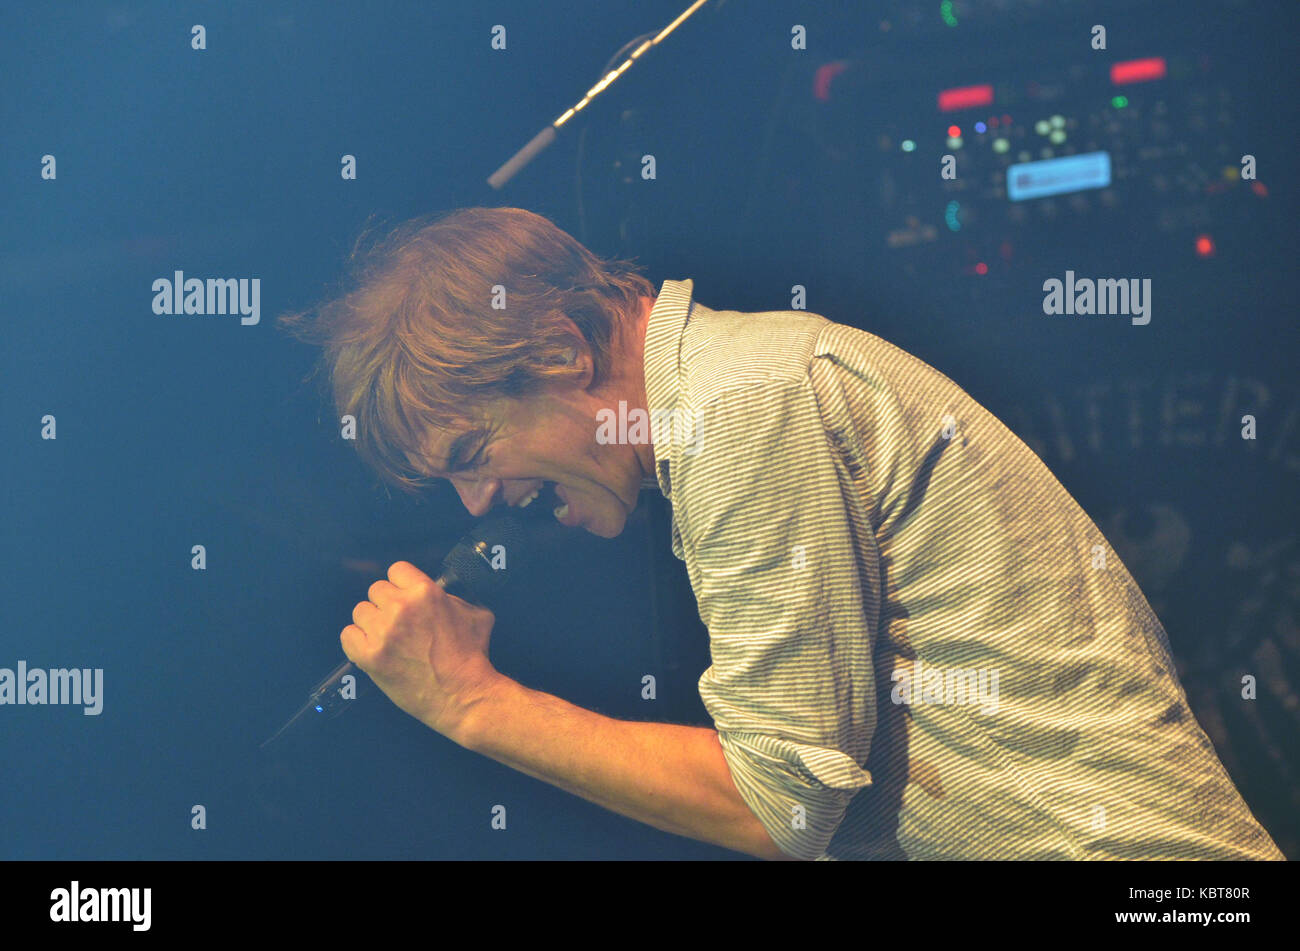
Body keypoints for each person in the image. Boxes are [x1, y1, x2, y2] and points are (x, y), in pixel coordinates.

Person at [278, 206, 1284, 860]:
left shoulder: (742, 405)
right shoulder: (735, 395)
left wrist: (471, 704)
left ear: (557, 349)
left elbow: (783, 807)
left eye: (468, 453)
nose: (478, 504)